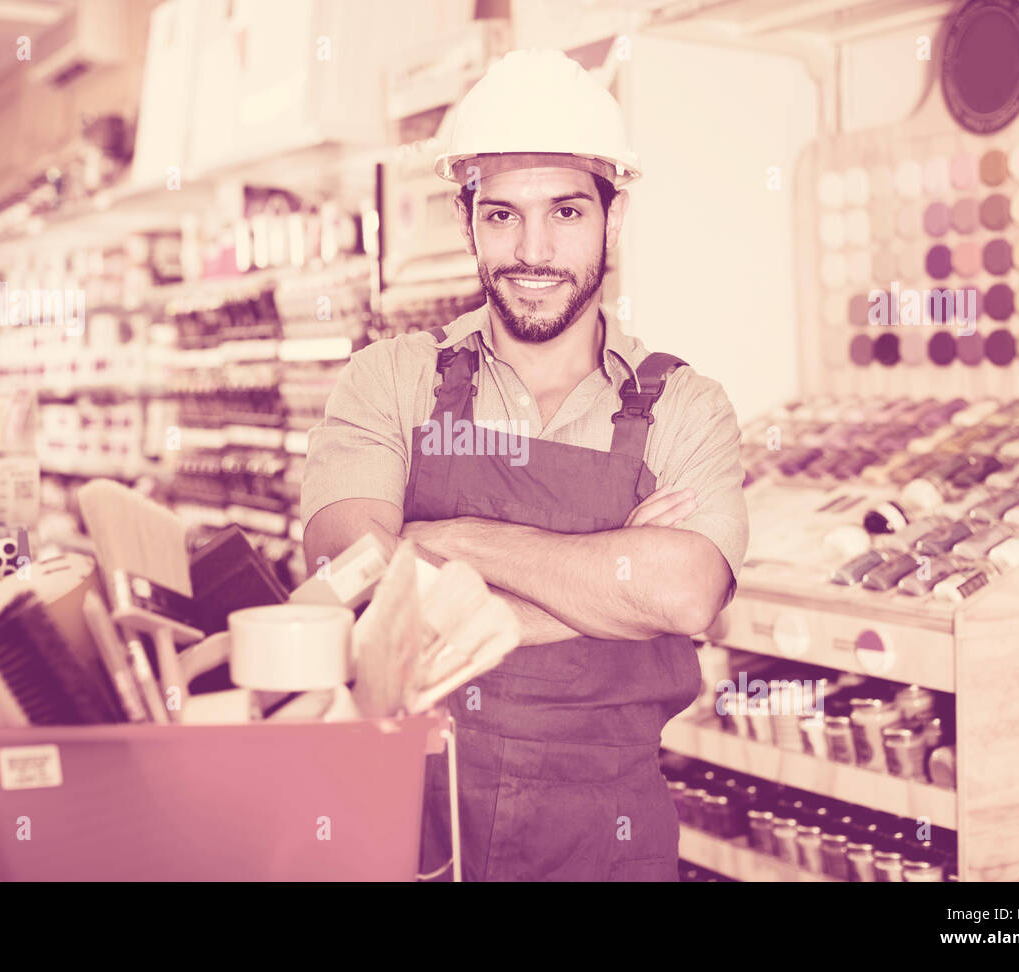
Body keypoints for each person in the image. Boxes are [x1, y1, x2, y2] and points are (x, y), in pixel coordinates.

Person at [300, 48, 748, 881]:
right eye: (502, 215)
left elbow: (684, 593)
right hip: (412, 825)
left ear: (613, 221)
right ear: (467, 217)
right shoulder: (392, 379)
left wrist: (450, 543)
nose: (532, 250)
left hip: (609, 841)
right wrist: (611, 580)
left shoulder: (687, 407)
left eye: (567, 213)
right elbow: (350, 584)